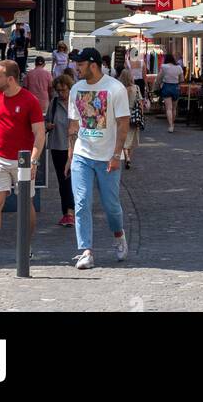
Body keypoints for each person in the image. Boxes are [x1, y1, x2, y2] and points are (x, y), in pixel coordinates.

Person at [0, 60, 45, 269]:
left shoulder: (30, 101)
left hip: (23, 161)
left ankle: (25, 244)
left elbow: (39, 134)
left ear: (10, 79)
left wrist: (33, 160)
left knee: (25, 203)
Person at [66, 47, 130, 269]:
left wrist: (116, 155)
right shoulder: (76, 89)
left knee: (111, 205)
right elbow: (73, 125)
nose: (76, 68)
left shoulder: (115, 88)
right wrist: (70, 154)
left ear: (92, 65)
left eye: (80, 64)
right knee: (82, 202)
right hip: (82, 155)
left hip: (107, 157)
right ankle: (86, 251)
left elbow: (123, 123)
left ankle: (119, 234)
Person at [45, 75, 75, 226]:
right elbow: (46, 121)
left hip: (73, 147)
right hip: (57, 146)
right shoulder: (54, 103)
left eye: (64, 90)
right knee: (62, 181)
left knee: (70, 180)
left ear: (70, 89)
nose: (61, 94)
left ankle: (71, 212)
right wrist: (48, 125)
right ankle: (67, 213)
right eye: (58, 91)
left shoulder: (76, 102)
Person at [118, 69, 143, 167]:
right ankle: (129, 158)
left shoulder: (120, 89)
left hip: (122, 114)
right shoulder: (136, 88)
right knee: (132, 138)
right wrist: (142, 115)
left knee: (123, 136)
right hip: (134, 114)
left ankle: (126, 156)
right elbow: (140, 103)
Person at [156, 52, 184, 133]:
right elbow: (182, 79)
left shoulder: (164, 67)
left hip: (167, 87)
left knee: (168, 108)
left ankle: (170, 125)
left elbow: (159, 78)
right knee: (174, 108)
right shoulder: (179, 67)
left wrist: (158, 85)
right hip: (175, 87)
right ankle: (173, 123)